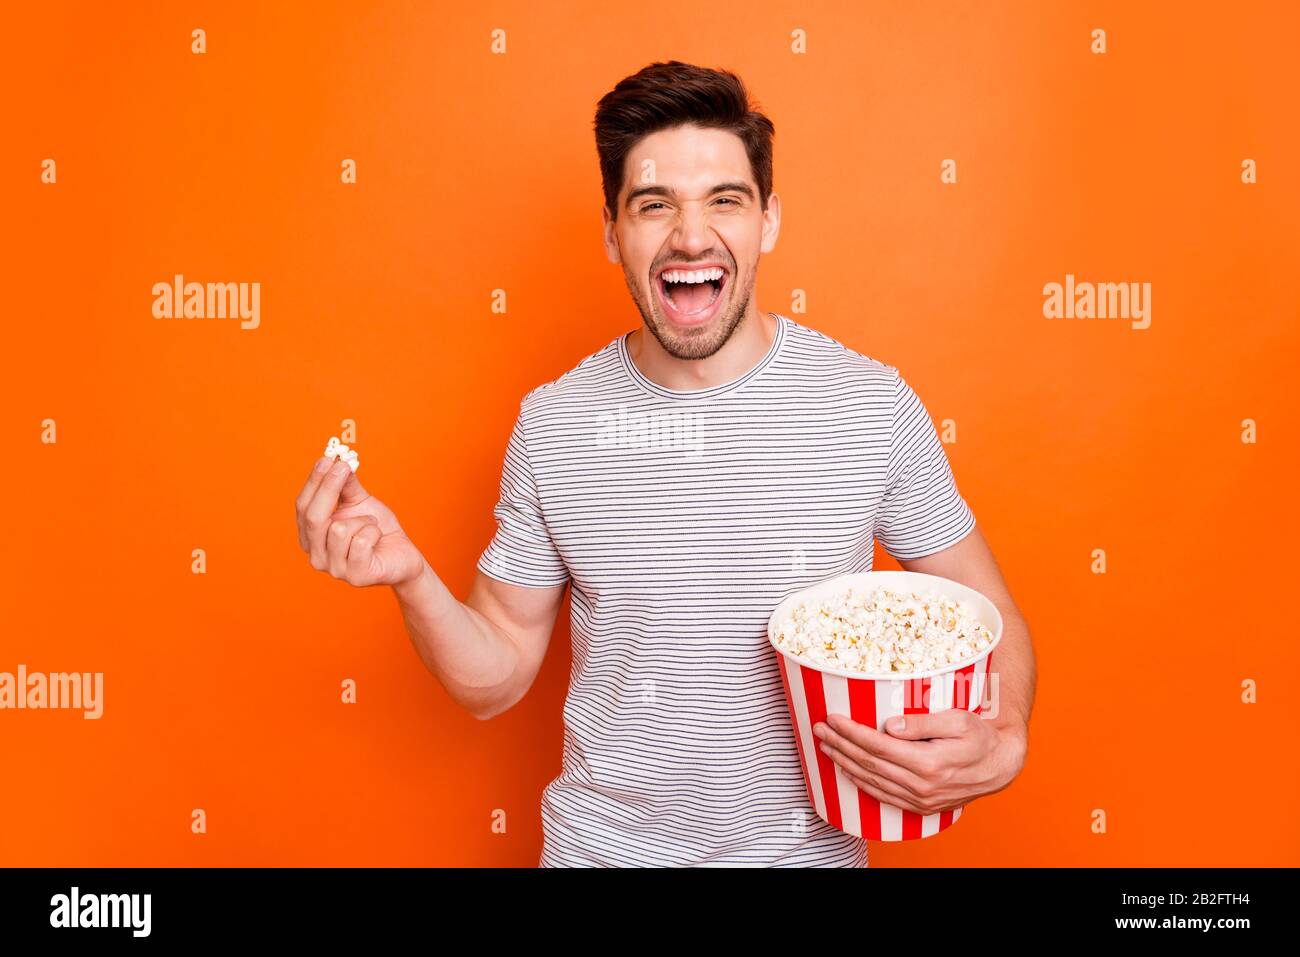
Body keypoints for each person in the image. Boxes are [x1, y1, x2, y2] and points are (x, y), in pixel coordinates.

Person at [294, 60, 1036, 867]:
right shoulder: (556, 423)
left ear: (769, 220)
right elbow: (497, 673)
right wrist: (411, 576)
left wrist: (1004, 739)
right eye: (654, 205)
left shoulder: (870, 405)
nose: (690, 235)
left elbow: (987, 609)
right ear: (613, 231)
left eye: (725, 199)